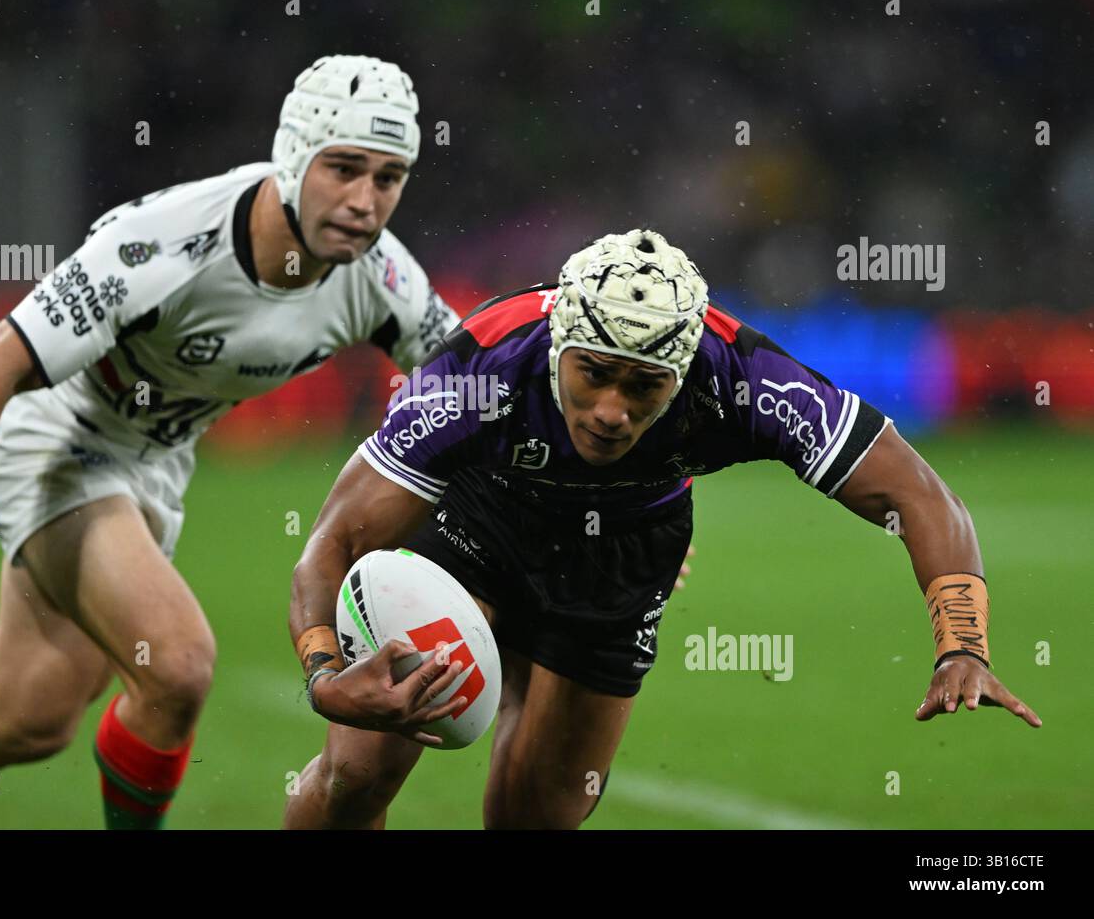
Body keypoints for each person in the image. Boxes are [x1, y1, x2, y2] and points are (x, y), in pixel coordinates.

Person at [0, 54, 459, 830]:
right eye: (343, 168)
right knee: (176, 665)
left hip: (156, 465)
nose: (363, 201)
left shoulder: (380, 278)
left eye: (388, 178)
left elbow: (464, 388)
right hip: (57, 442)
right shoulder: (165, 245)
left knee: (26, 717)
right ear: (294, 156)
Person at [283, 228, 1042, 830]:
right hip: (476, 525)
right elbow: (335, 542)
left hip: (624, 557)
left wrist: (963, 645)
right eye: (593, 374)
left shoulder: (742, 379)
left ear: (682, 372)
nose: (612, 409)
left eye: (644, 386)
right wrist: (324, 675)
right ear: (558, 349)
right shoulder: (484, 365)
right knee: (359, 774)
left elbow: (920, 495)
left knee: (538, 817)